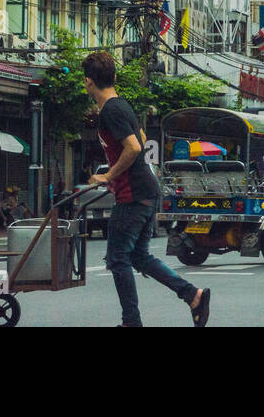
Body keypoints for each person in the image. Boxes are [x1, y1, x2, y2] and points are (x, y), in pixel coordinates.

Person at [85, 51, 209, 327]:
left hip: (133, 194)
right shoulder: (123, 106)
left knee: (118, 259)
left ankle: (131, 322)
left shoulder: (110, 112)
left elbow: (134, 146)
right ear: (114, 78)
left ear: (88, 82)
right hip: (145, 189)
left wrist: (108, 176)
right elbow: (140, 137)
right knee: (138, 256)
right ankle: (192, 295)